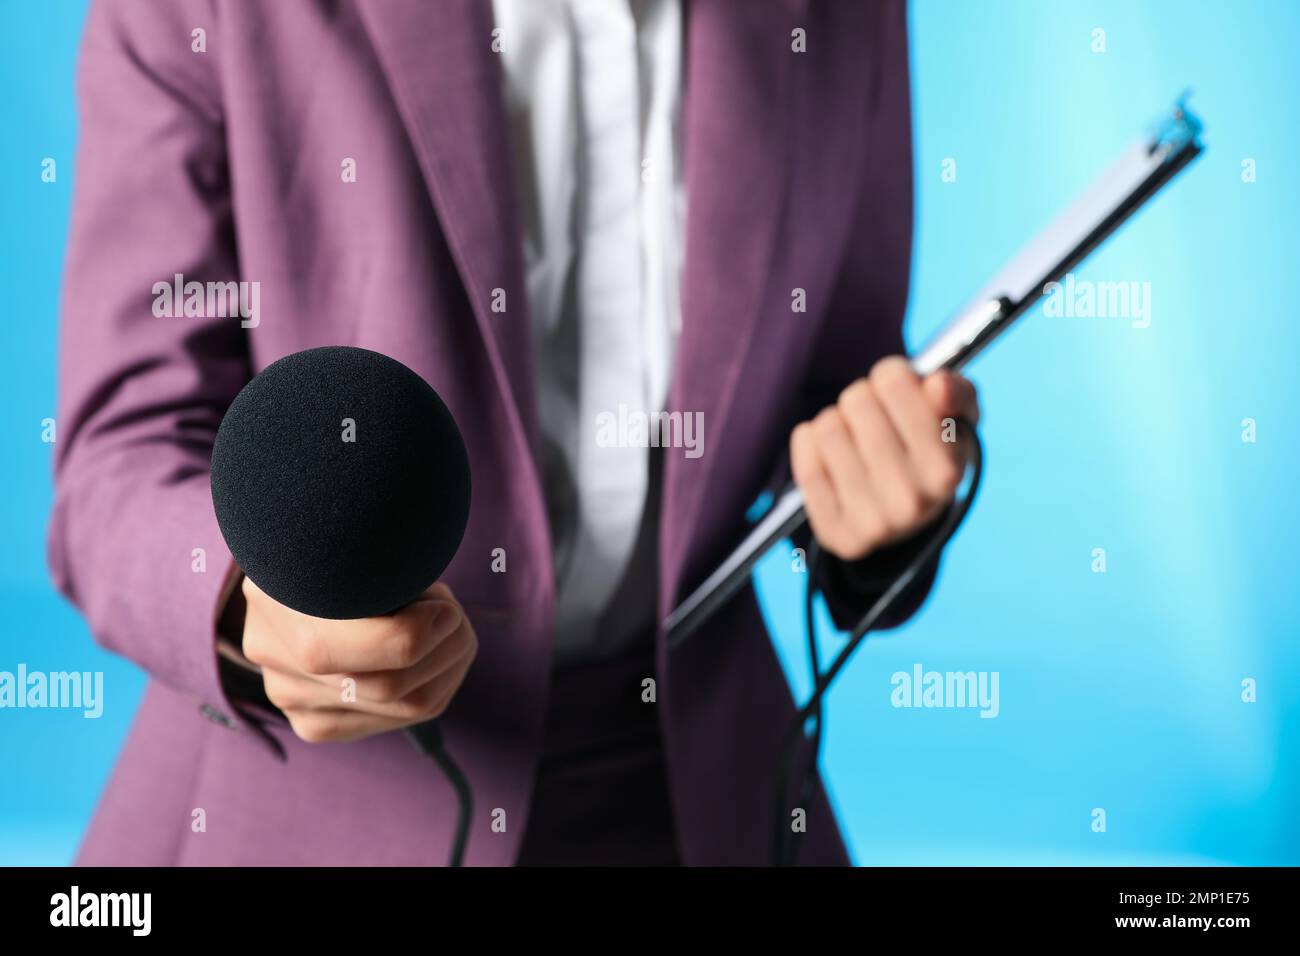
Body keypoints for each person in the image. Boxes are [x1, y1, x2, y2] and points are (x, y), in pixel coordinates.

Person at [51, 0, 978, 866]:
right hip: (317, 806)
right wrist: (250, 613)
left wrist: (883, 502)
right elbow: (117, 455)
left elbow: (838, 380)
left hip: (707, 796)